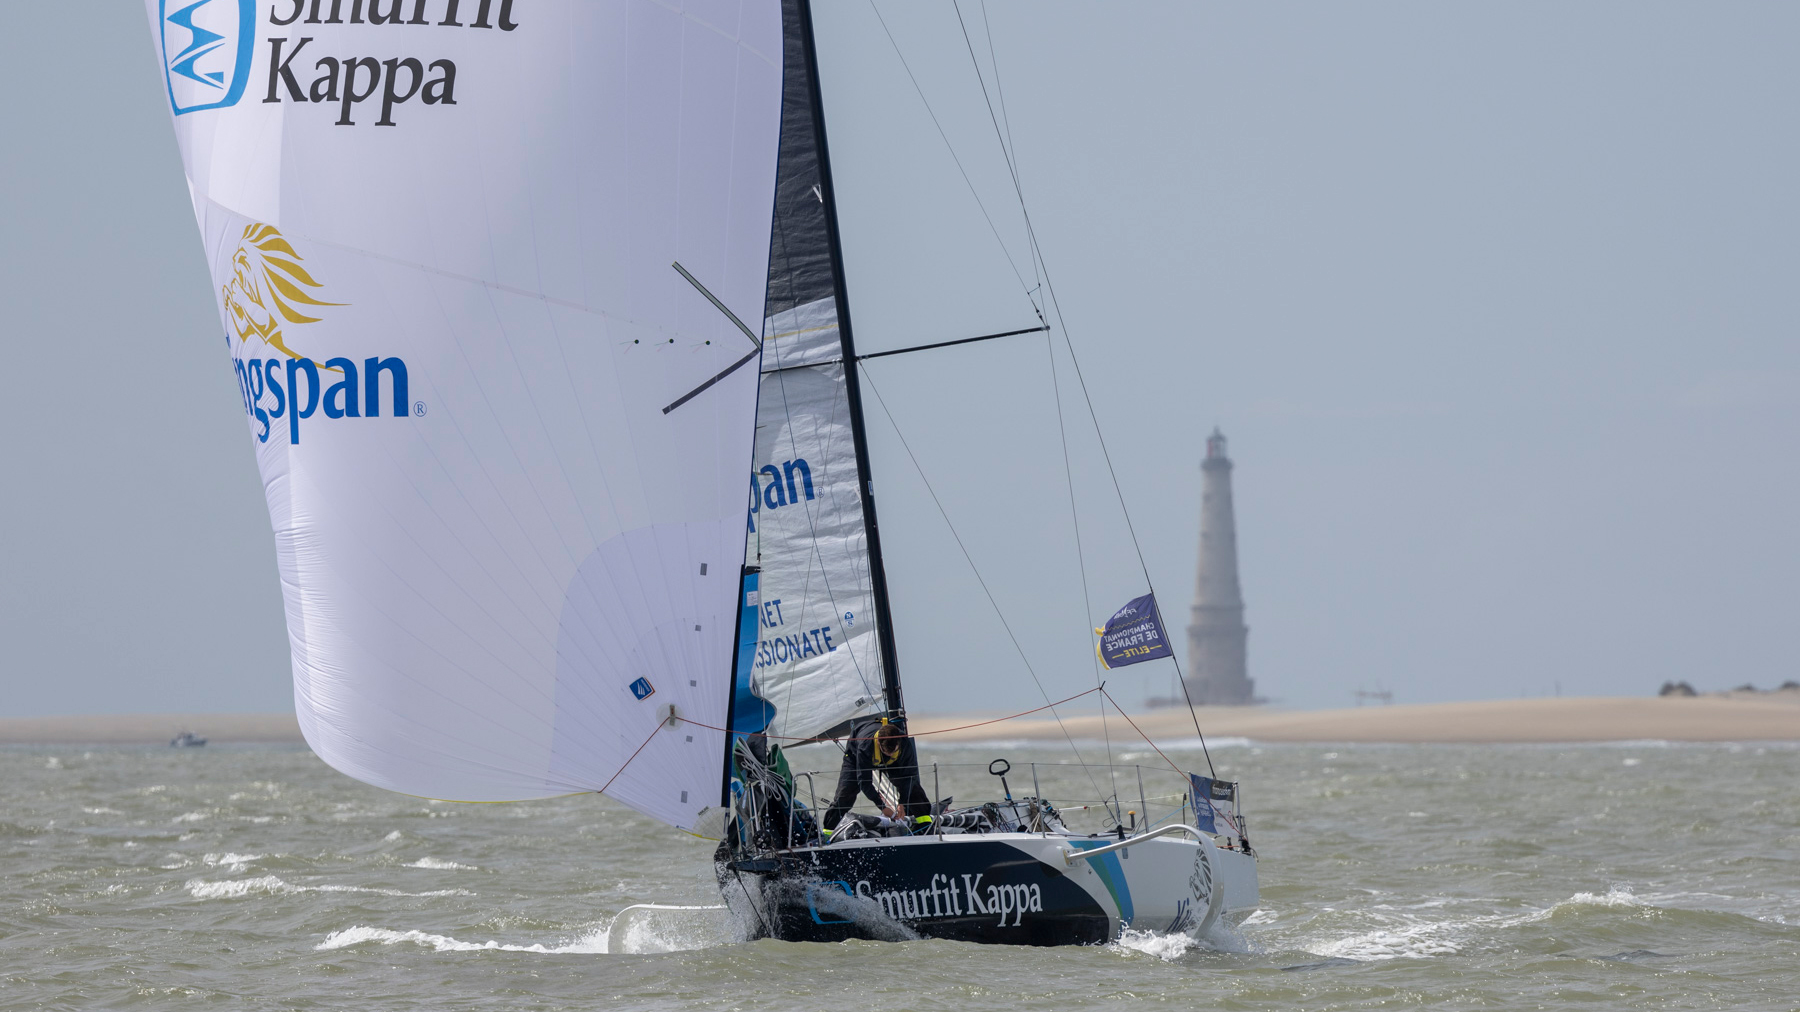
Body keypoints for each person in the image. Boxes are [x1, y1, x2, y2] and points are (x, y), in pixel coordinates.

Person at [822, 715, 932, 836]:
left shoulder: (904, 743)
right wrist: (883, 807)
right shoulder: (865, 746)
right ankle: (829, 832)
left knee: (914, 788)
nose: (890, 754)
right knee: (845, 794)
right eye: (887, 752)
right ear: (879, 742)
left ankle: (925, 826)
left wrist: (902, 804)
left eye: (893, 751)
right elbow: (864, 782)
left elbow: (908, 776)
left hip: (892, 762)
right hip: (855, 754)